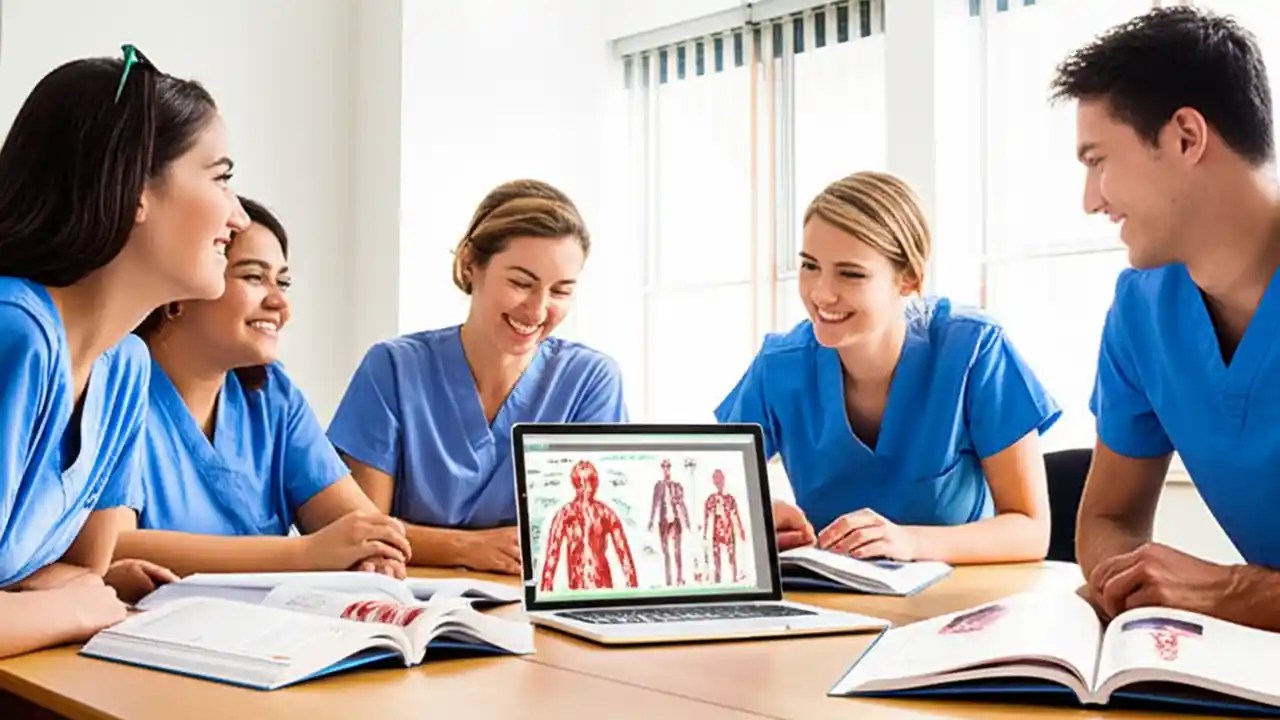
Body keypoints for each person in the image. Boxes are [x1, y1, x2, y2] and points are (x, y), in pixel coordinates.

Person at [0, 45, 247, 657]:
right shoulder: (16, 333)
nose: (238, 215)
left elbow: (80, 576)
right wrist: (68, 604)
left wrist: (66, 597)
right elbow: (77, 598)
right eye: (220, 178)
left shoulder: (126, 367)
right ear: (136, 190)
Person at [1053, 7, 1280, 631]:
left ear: (1185, 137)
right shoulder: (1140, 313)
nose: (1090, 199)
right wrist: (1132, 585)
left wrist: (1224, 592)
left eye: (1098, 160)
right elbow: (1109, 519)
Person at [715, 171, 1058, 564]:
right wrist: (755, 516)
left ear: (908, 279)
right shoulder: (779, 367)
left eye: (851, 273)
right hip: (836, 606)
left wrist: (910, 543)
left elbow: (1031, 529)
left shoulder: (974, 351)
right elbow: (705, 494)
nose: (821, 293)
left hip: (959, 604)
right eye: (810, 266)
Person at [329, 179, 628, 574]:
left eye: (560, 291)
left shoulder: (589, 381)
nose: (538, 311)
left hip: (530, 619)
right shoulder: (394, 369)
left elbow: (584, 540)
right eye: (521, 283)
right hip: (408, 606)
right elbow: (362, 533)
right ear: (471, 263)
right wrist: (465, 547)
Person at [116, 197, 411, 578]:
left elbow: (359, 526)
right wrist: (304, 553)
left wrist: (374, 554)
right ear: (182, 285)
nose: (279, 302)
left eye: (283, 282)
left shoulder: (273, 395)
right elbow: (111, 545)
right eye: (254, 277)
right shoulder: (117, 387)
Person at [538, 460, 638, 591]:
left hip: (603, 589)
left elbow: (624, 556)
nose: (587, 488)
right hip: (579, 590)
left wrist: (633, 594)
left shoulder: (604, 514)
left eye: (590, 481)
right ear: (576, 484)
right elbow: (551, 558)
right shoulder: (566, 515)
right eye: (583, 483)